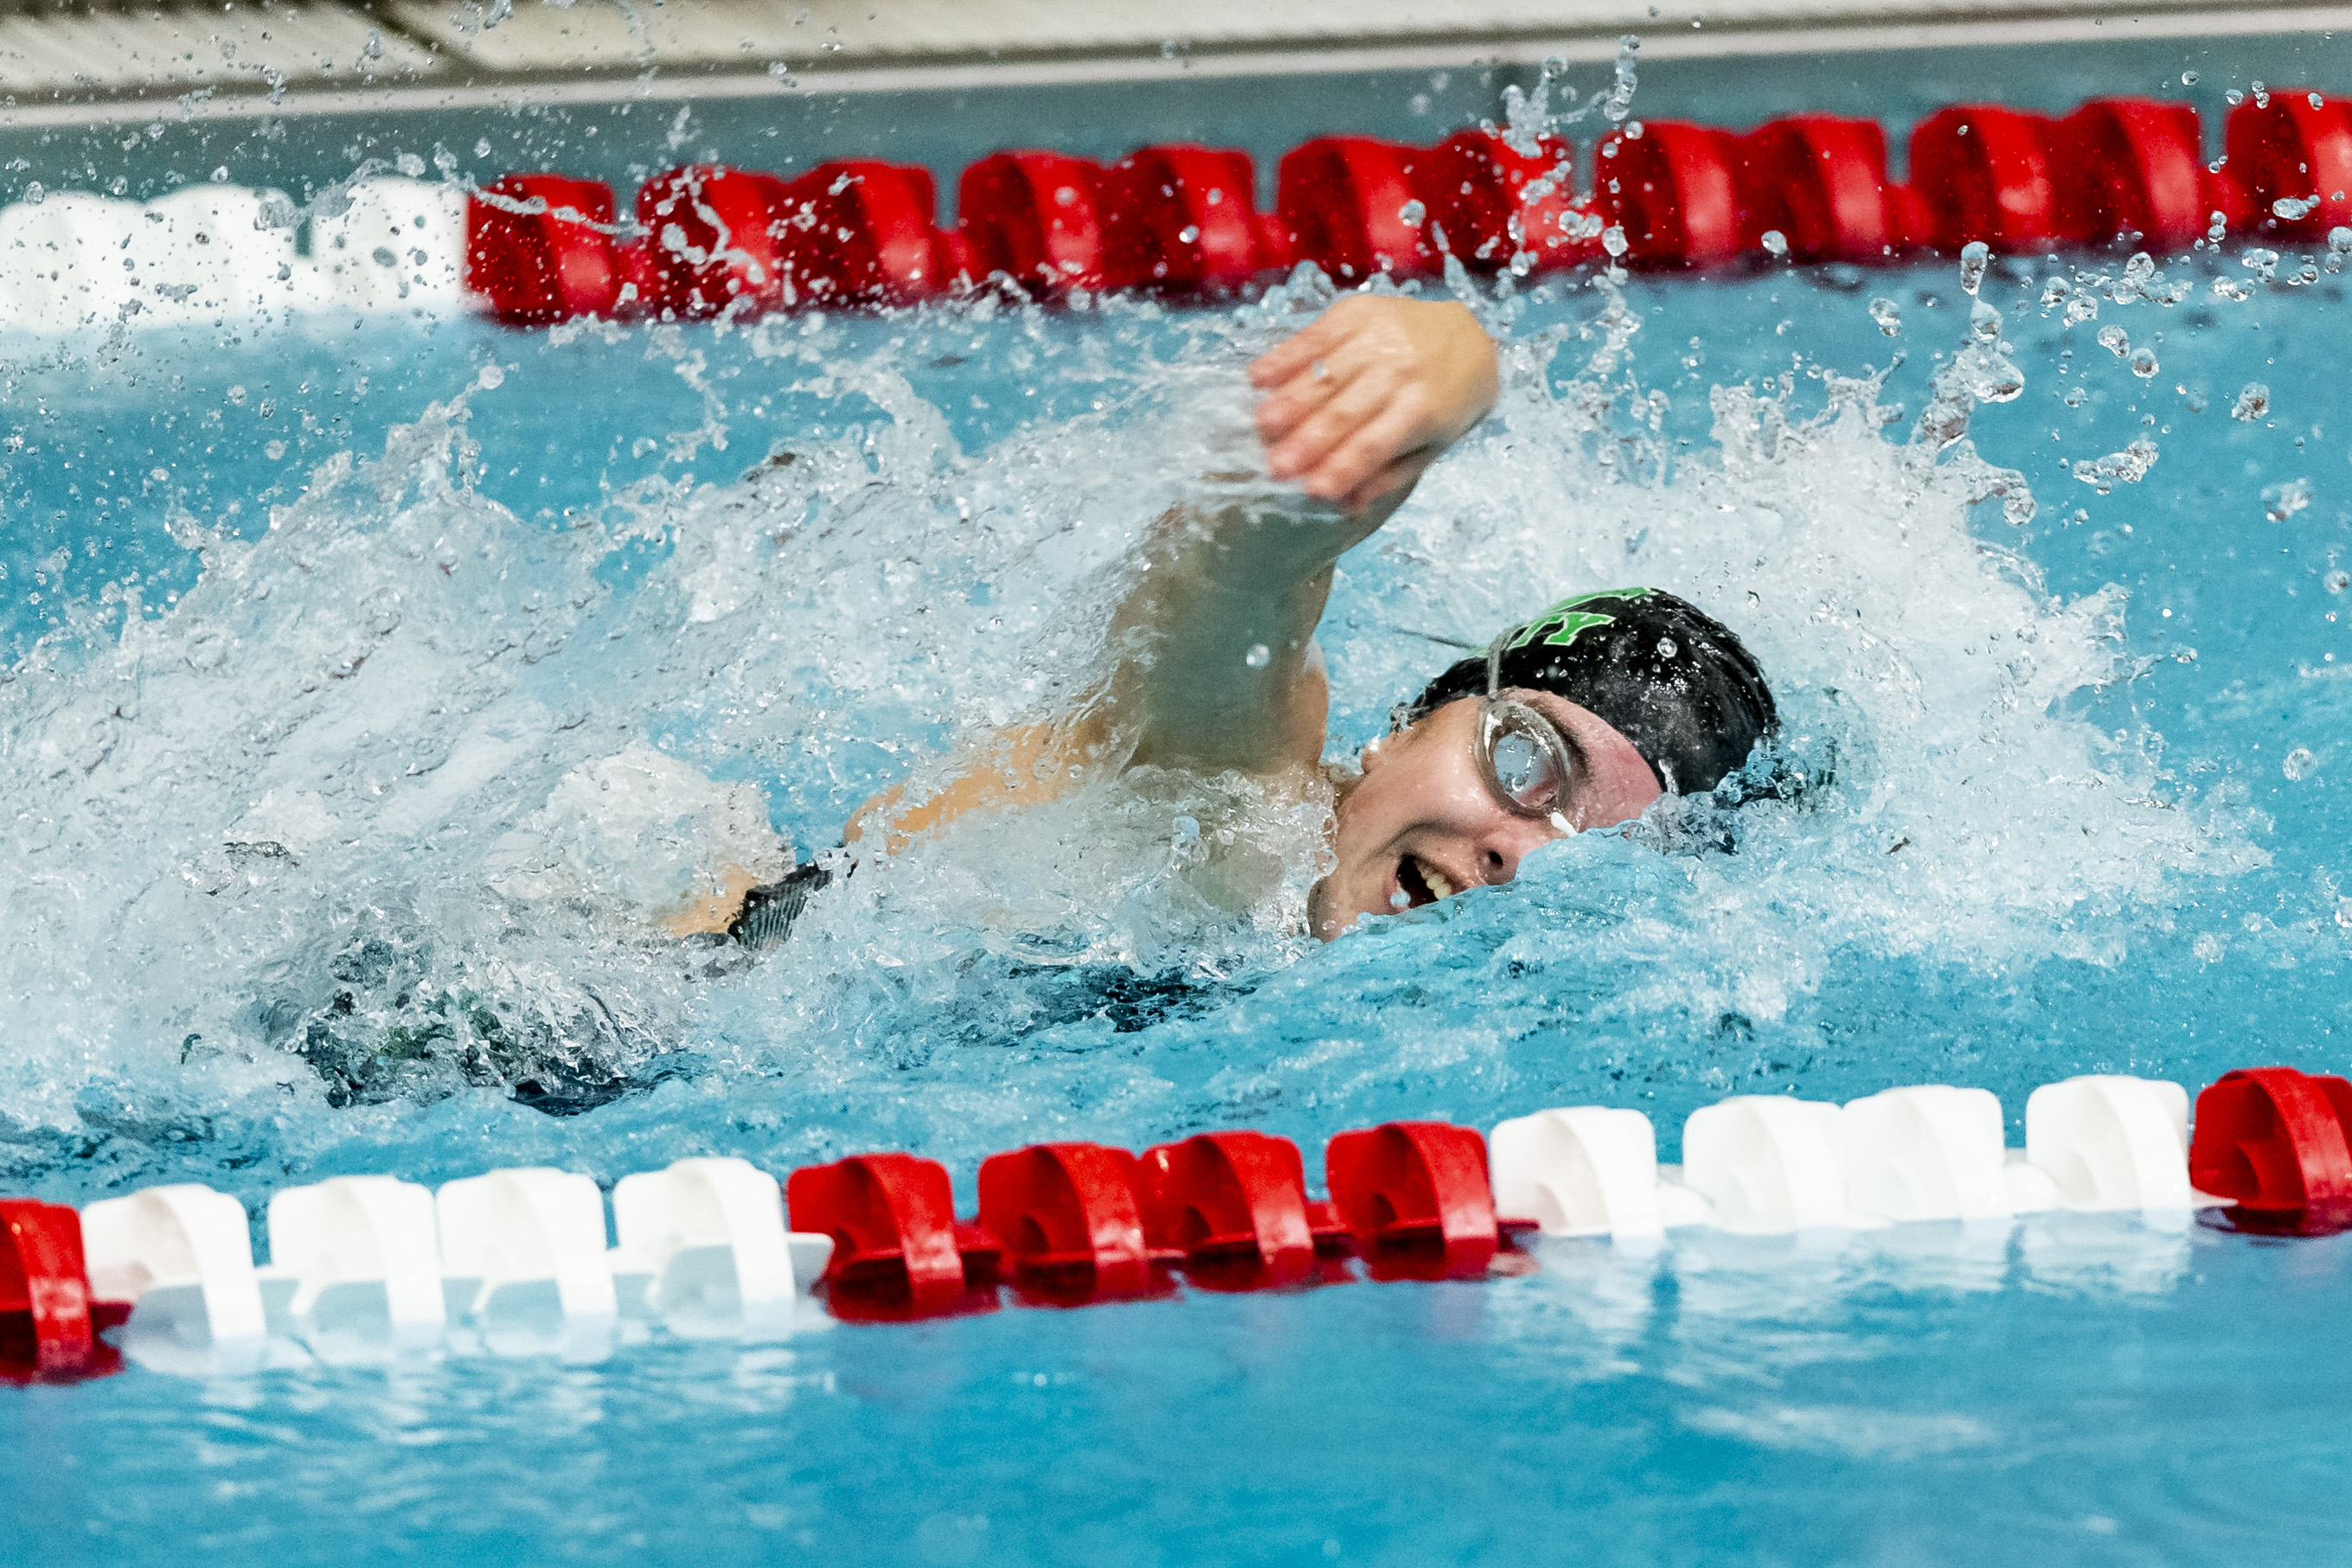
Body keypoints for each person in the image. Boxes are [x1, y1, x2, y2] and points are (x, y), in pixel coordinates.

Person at [713, 294, 1778, 948]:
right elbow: (1237, 570)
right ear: (1409, 722)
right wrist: (1447, 358)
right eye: (1527, 764)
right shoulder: (1226, 799)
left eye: (1590, 852)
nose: (1516, 856)